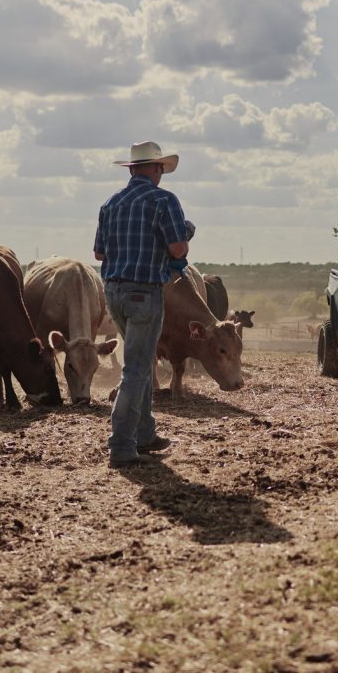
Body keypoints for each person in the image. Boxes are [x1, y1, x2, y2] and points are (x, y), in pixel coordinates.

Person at [94, 140, 193, 469]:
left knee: (141, 359)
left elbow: (98, 254)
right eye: (160, 167)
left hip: (113, 291)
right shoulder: (164, 201)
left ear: (132, 169)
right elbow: (178, 250)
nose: (162, 173)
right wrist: (184, 236)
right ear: (151, 169)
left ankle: (145, 433)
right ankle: (121, 445)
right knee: (136, 369)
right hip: (144, 293)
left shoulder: (111, 203)